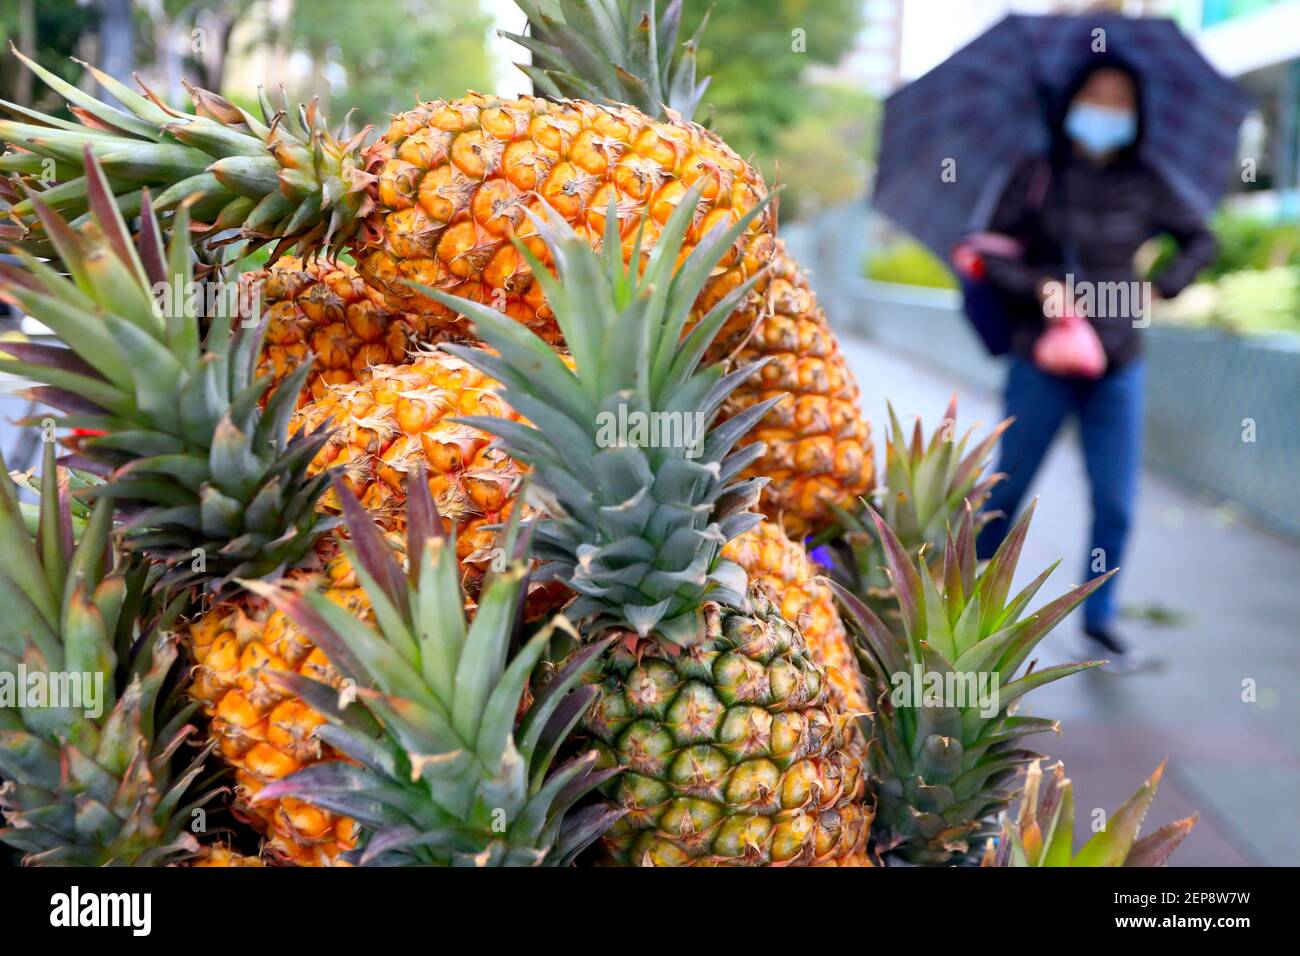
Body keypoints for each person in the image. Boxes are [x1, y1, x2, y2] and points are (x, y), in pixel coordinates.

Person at [975, 57, 1217, 672]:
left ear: (1135, 114)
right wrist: (1040, 287)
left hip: (1118, 359)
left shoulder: (1148, 179)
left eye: (1120, 99)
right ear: (1070, 102)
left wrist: (1163, 288)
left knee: (1115, 502)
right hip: (1042, 356)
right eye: (1095, 95)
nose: (1106, 109)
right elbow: (989, 255)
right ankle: (963, 606)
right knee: (1006, 490)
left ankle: (1100, 620)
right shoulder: (1036, 175)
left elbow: (1201, 238)